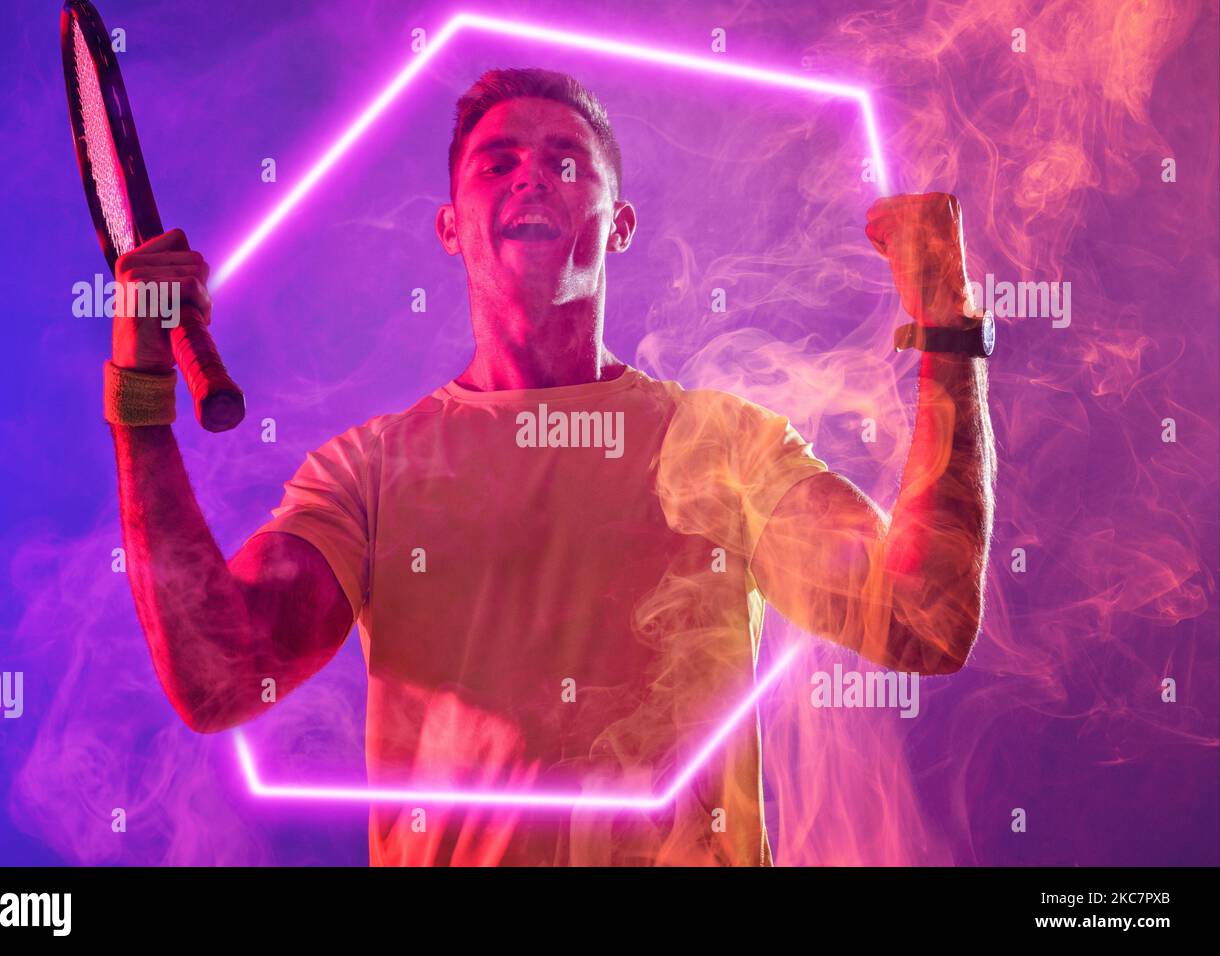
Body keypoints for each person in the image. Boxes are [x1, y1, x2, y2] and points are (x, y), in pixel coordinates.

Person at [104, 68, 996, 866]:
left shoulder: (725, 446)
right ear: (451, 227)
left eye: (568, 160)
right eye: (496, 163)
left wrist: (948, 329)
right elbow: (218, 678)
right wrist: (141, 386)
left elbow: (923, 619)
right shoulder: (366, 473)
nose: (534, 174)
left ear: (621, 225)